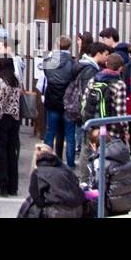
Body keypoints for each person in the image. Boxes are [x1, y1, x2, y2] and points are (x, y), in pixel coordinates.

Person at [17, 143, 85, 219]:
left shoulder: (37, 172)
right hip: (78, 209)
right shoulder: (66, 169)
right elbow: (77, 187)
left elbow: (36, 197)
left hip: (56, 211)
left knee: (30, 204)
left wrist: (45, 202)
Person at [0, 56, 22, 197]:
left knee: (0, 154)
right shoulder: (16, 81)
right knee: (11, 154)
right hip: (14, 119)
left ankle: (2, 187)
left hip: (2, 121)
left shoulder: (1, 83)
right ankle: (13, 187)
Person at [41, 36, 77, 166]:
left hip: (53, 100)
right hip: (69, 102)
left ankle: (46, 161)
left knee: (50, 132)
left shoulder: (49, 62)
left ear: (57, 45)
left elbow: (46, 75)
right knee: (70, 135)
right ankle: (70, 164)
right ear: (69, 46)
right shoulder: (74, 64)